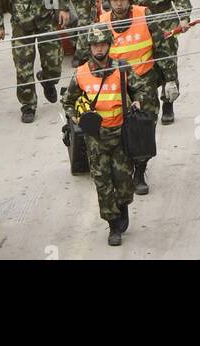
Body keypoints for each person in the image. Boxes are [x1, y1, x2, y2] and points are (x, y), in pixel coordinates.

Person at [63, 23, 148, 245]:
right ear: (89, 48)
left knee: (123, 181)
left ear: (109, 45)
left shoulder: (122, 68)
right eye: (95, 45)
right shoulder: (81, 74)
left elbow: (140, 88)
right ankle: (113, 226)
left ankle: (123, 206)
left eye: (102, 44)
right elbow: (68, 101)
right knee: (103, 183)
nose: (99, 49)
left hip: (121, 135)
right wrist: (76, 117)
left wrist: (138, 100)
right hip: (96, 139)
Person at [100, 0, 177, 194]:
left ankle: (140, 172)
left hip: (144, 80)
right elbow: (91, 53)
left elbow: (163, 48)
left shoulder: (144, 15)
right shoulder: (102, 22)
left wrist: (170, 79)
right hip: (115, 82)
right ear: (109, 2)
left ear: (130, 0)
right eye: (115, 0)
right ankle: (120, 167)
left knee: (144, 126)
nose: (119, 4)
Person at [118, 0, 192, 126]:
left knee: (168, 63)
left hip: (164, 22)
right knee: (144, 67)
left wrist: (184, 17)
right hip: (140, 26)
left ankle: (168, 102)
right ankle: (147, 105)